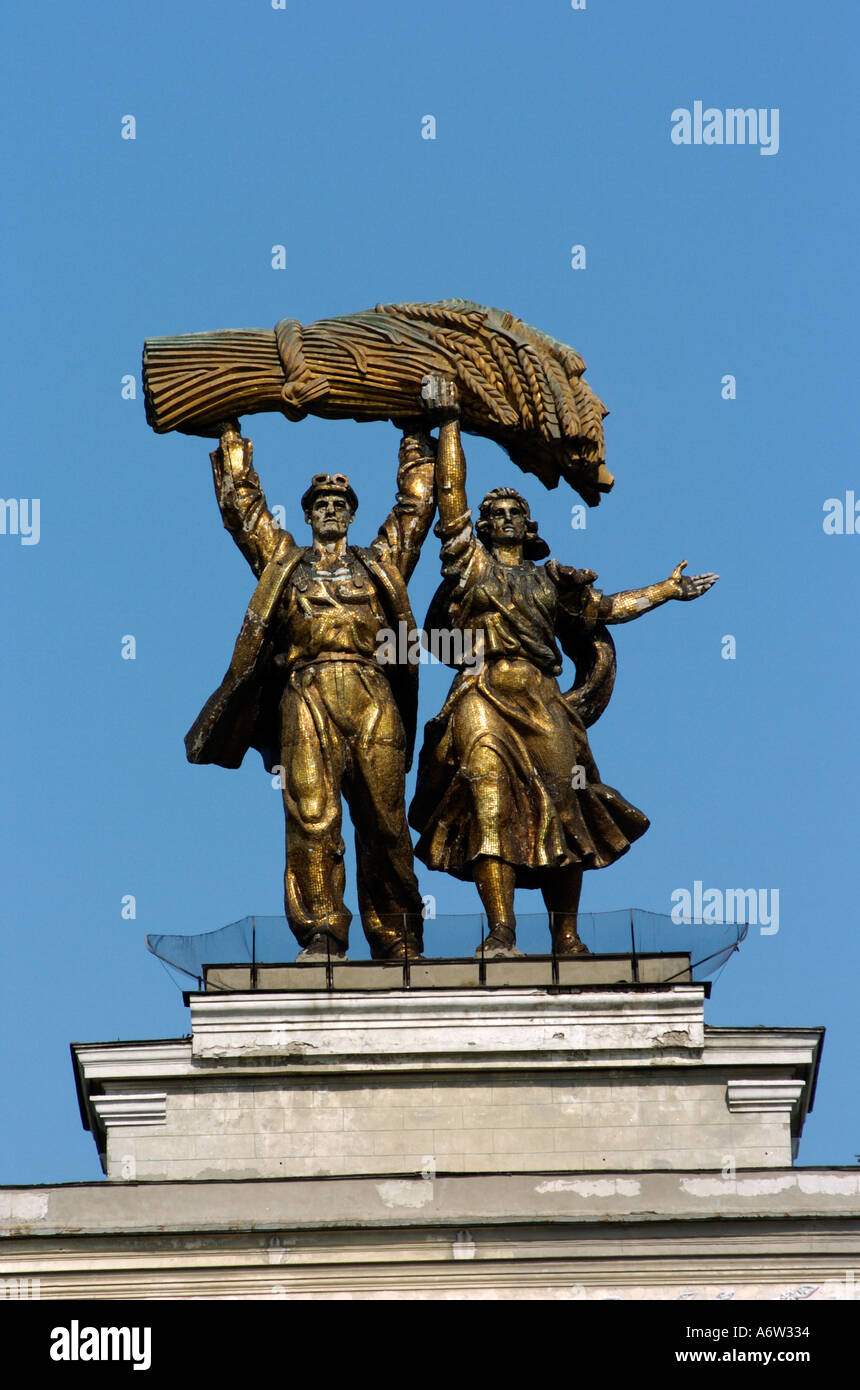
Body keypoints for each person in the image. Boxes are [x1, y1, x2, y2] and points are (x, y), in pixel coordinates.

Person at [409, 376, 718, 957]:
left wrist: (666, 591)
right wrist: (450, 424)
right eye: (492, 512)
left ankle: (565, 934)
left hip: (542, 697)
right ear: (481, 527)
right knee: (488, 800)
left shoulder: (553, 580)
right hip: (481, 693)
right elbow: (450, 502)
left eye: (513, 511)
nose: (501, 517)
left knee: (562, 805)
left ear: (530, 528)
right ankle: (501, 931)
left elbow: (608, 609)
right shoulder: (468, 568)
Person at [186, 420, 436, 961]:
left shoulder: (380, 564)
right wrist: (231, 438)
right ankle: (322, 930)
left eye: (339, 502)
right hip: (307, 692)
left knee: (385, 821)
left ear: (352, 513)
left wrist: (418, 434)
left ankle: (397, 936)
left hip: (372, 692)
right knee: (311, 816)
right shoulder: (286, 564)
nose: (329, 509)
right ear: (305, 514)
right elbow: (245, 514)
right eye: (320, 502)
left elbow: (415, 512)